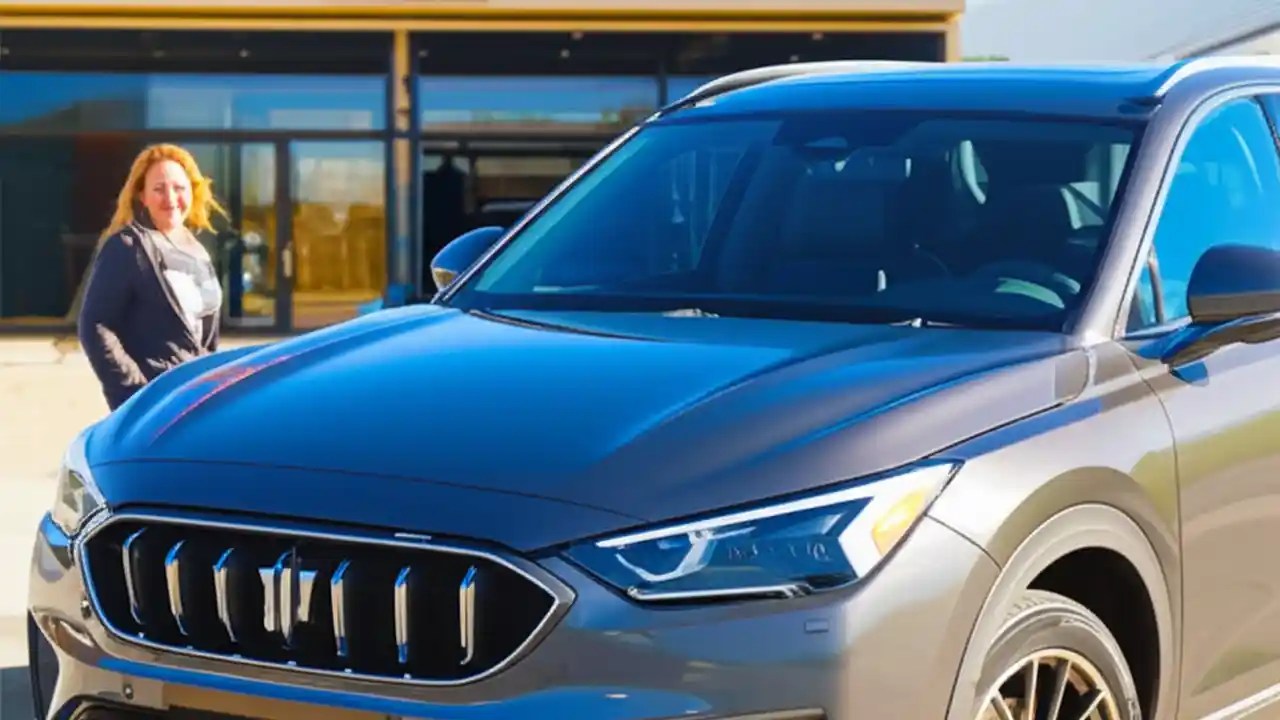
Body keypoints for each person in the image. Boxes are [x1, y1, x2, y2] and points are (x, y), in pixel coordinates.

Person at [78, 143, 228, 411]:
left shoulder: (197, 249)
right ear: (142, 196)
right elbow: (95, 325)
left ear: (193, 191)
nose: (170, 198)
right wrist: (135, 394)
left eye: (179, 188)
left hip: (194, 398)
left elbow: (204, 337)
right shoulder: (128, 247)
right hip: (155, 403)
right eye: (159, 189)